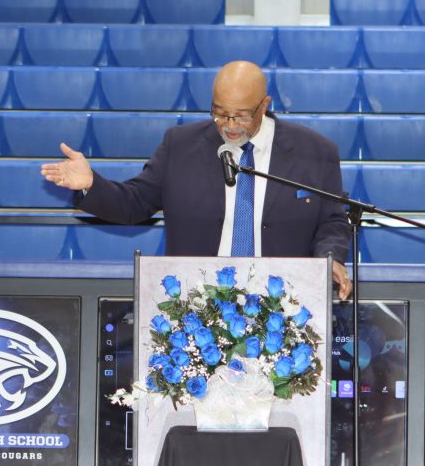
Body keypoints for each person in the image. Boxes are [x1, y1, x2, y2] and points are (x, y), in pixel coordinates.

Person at [41, 60, 353, 300]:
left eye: (241, 115)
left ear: (265, 104)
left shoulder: (315, 152)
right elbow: (134, 204)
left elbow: (332, 222)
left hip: (281, 300)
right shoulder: (180, 145)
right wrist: (90, 184)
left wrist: (330, 261)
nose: (229, 126)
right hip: (196, 302)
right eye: (220, 113)